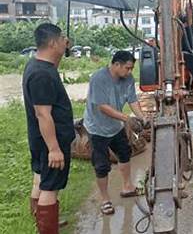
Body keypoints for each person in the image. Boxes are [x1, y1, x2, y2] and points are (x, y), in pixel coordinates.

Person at [22, 23, 74, 233]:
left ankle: (45, 221)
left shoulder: (39, 66)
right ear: (53, 42)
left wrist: (63, 52)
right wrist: (54, 148)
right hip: (50, 141)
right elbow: (43, 113)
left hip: (41, 138)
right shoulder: (42, 75)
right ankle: (47, 225)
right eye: (62, 39)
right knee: (49, 188)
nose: (65, 41)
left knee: (42, 181)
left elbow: (52, 68)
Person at [83, 50, 147, 215]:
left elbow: (132, 100)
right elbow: (103, 107)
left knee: (125, 153)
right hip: (97, 128)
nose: (130, 72)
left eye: (132, 68)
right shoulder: (99, 79)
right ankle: (105, 200)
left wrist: (142, 118)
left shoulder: (128, 79)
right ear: (116, 64)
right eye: (127, 68)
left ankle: (127, 186)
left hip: (115, 126)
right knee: (101, 165)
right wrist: (127, 119)